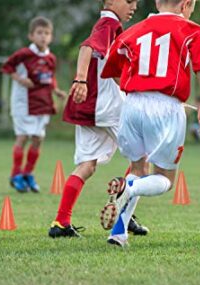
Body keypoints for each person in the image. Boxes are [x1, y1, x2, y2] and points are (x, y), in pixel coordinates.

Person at [100, 0, 200, 247]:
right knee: (164, 180)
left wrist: (138, 87)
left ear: (157, 2)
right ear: (186, 4)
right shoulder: (193, 31)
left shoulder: (133, 30)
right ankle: (128, 189)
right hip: (165, 108)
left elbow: (112, 68)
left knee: (137, 170)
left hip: (132, 104)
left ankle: (118, 233)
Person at [48, 0, 149, 238]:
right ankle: (124, 212)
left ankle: (61, 222)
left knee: (87, 165)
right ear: (110, 1)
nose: (133, 6)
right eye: (129, 1)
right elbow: (87, 47)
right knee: (143, 158)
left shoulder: (109, 25)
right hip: (107, 108)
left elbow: (109, 71)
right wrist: (80, 79)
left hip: (90, 109)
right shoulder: (109, 23)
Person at [1, 16, 67, 193]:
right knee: (22, 138)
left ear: (51, 37)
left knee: (38, 139)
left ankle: (28, 173)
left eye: (46, 33)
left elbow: (49, 77)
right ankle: (16, 175)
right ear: (31, 36)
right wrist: (20, 79)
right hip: (23, 103)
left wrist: (56, 90)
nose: (43, 37)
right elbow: (6, 67)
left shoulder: (51, 58)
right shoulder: (24, 54)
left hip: (42, 102)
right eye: (39, 33)